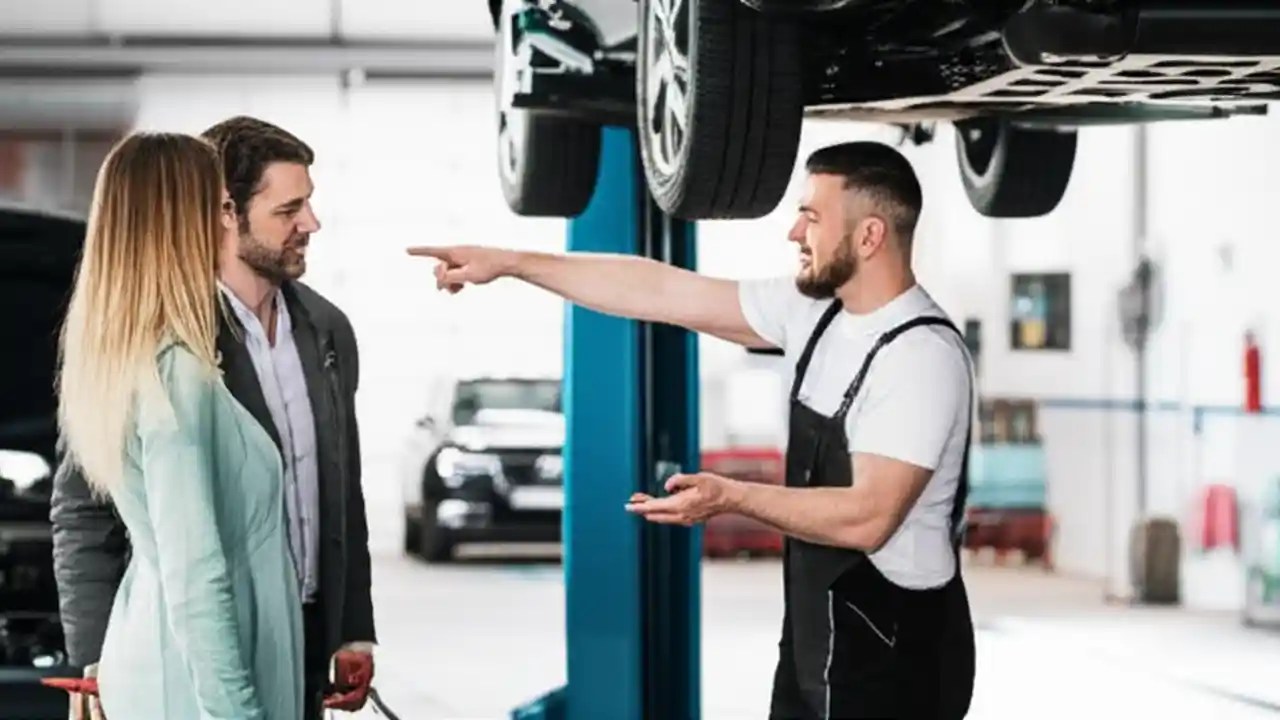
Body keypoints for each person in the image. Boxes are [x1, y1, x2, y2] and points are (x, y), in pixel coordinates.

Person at [409, 141, 977, 718]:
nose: (793, 233)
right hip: (819, 642)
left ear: (870, 236)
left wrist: (730, 495)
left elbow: (868, 517)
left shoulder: (918, 356)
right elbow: (657, 290)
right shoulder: (815, 312)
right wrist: (513, 264)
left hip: (896, 662)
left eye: (811, 216)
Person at [51, 116, 377, 719]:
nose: (310, 224)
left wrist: (351, 625)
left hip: (282, 628)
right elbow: (179, 563)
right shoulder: (178, 361)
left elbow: (341, 487)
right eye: (286, 210)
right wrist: (96, 658)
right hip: (204, 647)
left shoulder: (325, 330)